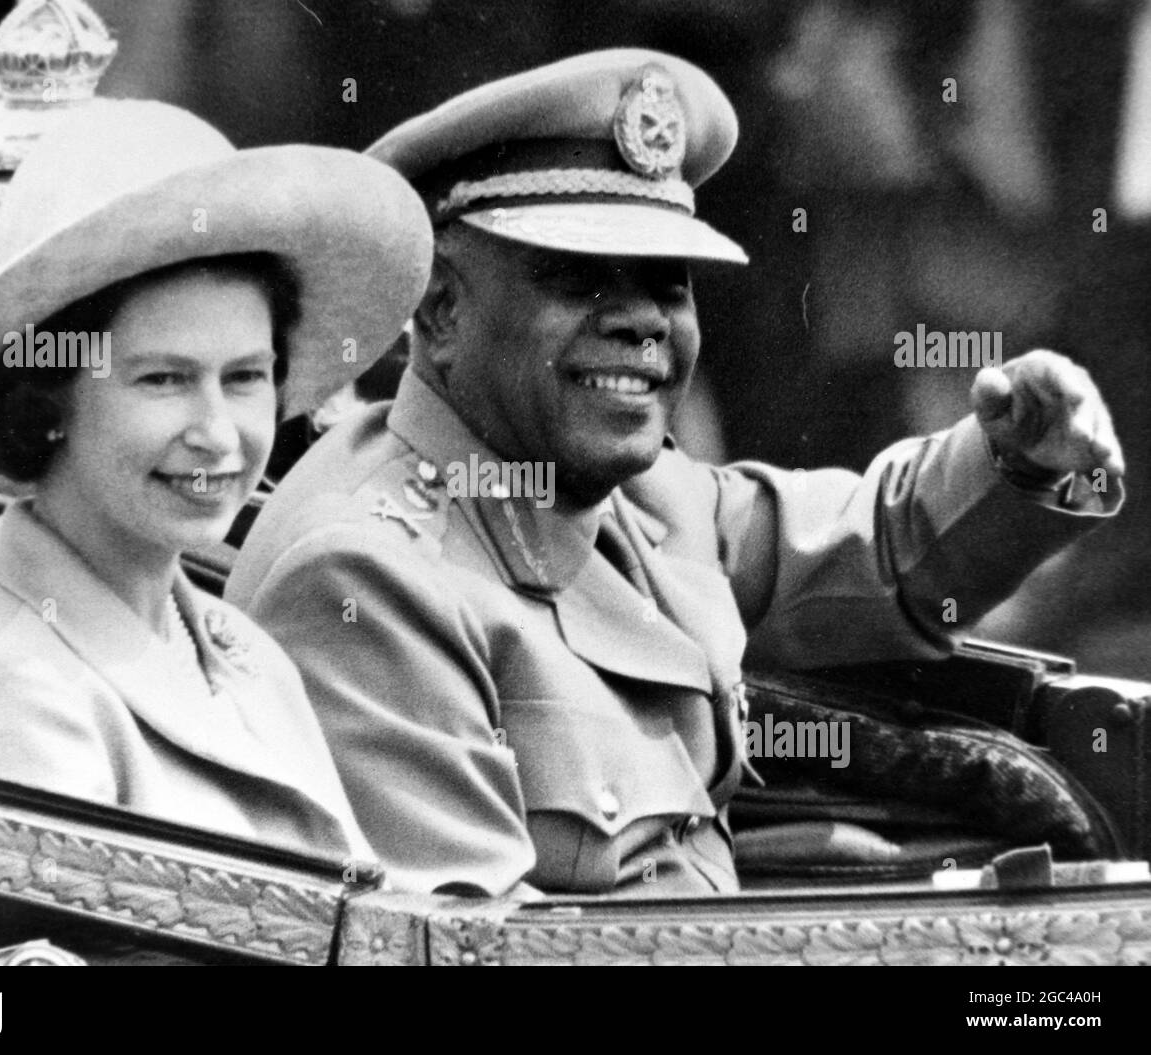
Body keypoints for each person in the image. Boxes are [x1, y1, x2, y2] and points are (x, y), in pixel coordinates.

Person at [227, 49, 1125, 898]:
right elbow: (472, 951)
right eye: (580, 281)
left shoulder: (635, 491)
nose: (642, 324)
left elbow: (870, 543)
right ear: (443, 308)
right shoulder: (366, 577)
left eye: (668, 284)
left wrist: (1013, 455)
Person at [0, 98, 433, 864]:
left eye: (245, 377)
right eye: (163, 379)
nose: (217, 432)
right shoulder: (10, 693)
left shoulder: (243, 650)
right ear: (48, 400)